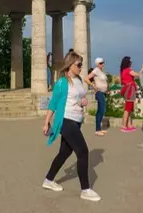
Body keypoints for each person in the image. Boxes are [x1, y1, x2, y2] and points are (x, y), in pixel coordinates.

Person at [42, 51, 101, 202]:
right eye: (79, 65)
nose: (81, 67)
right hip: (66, 120)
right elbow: (53, 103)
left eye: (82, 64)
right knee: (83, 152)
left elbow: (79, 97)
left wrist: (83, 102)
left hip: (76, 120)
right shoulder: (62, 83)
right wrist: (46, 122)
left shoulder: (79, 80)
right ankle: (85, 189)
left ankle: (48, 180)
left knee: (64, 153)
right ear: (70, 65)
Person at [119, 56, 143, 132]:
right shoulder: (128, 70)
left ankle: (129, 125)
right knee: (127, 108)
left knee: (129, 108)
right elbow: (137, 75)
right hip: (130, 90)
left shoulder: (123, 71)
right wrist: (142, 68)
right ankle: (124, 126)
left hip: (127, 89)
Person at [86, 58, 109, 136]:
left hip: (103, 92)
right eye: (100, 63)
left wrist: (106, 90)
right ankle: (97, 129)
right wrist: (93, 85)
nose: (102, 64)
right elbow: (86, 78)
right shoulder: (96, 70)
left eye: (103, 62)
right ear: (97, 64)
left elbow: (103, 81)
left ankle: (99, 129)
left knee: (101, 110)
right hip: (99, 92)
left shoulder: (101, 71)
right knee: (101, 110)